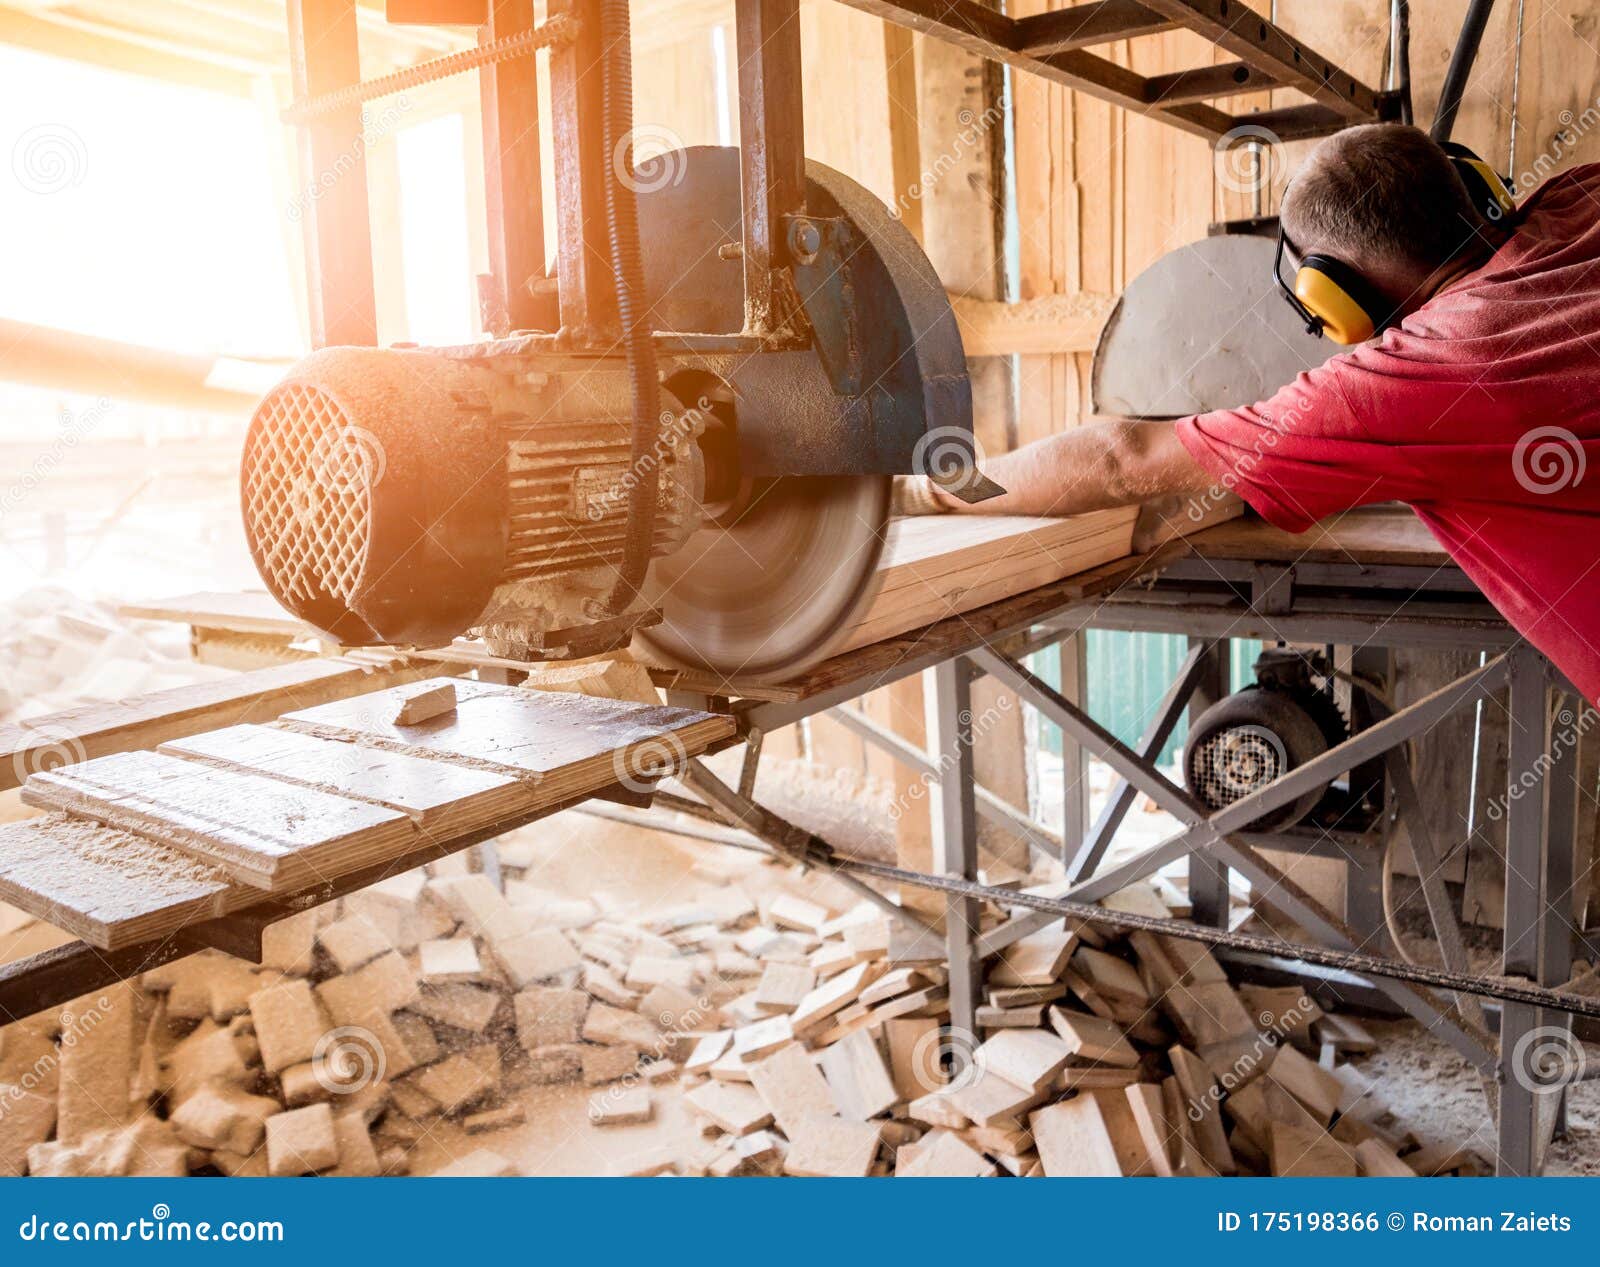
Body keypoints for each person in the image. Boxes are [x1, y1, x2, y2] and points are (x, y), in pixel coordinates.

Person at [901, 123, 1600, 701]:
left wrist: (926, 491)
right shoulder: (1577, 193)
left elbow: (1123, 458)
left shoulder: (1423, 376)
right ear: (1470, 181)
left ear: (1336, 297)